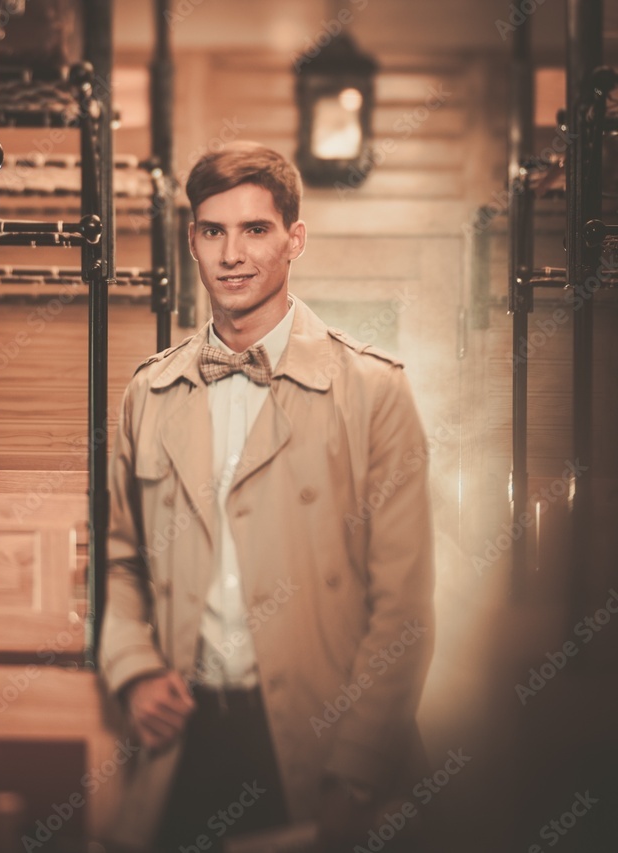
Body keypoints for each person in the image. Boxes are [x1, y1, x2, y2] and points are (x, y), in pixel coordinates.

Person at [98, 141, 435, 852]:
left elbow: (404, 605)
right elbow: (121, 559)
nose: (232, 253)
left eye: (255, 229)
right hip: (180, 741)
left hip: (319, 739)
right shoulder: (145, 394)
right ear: (192, 241)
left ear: (294, 239)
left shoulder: (375, 392)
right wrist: (130, 668)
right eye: (214, 230)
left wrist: (359, 769)